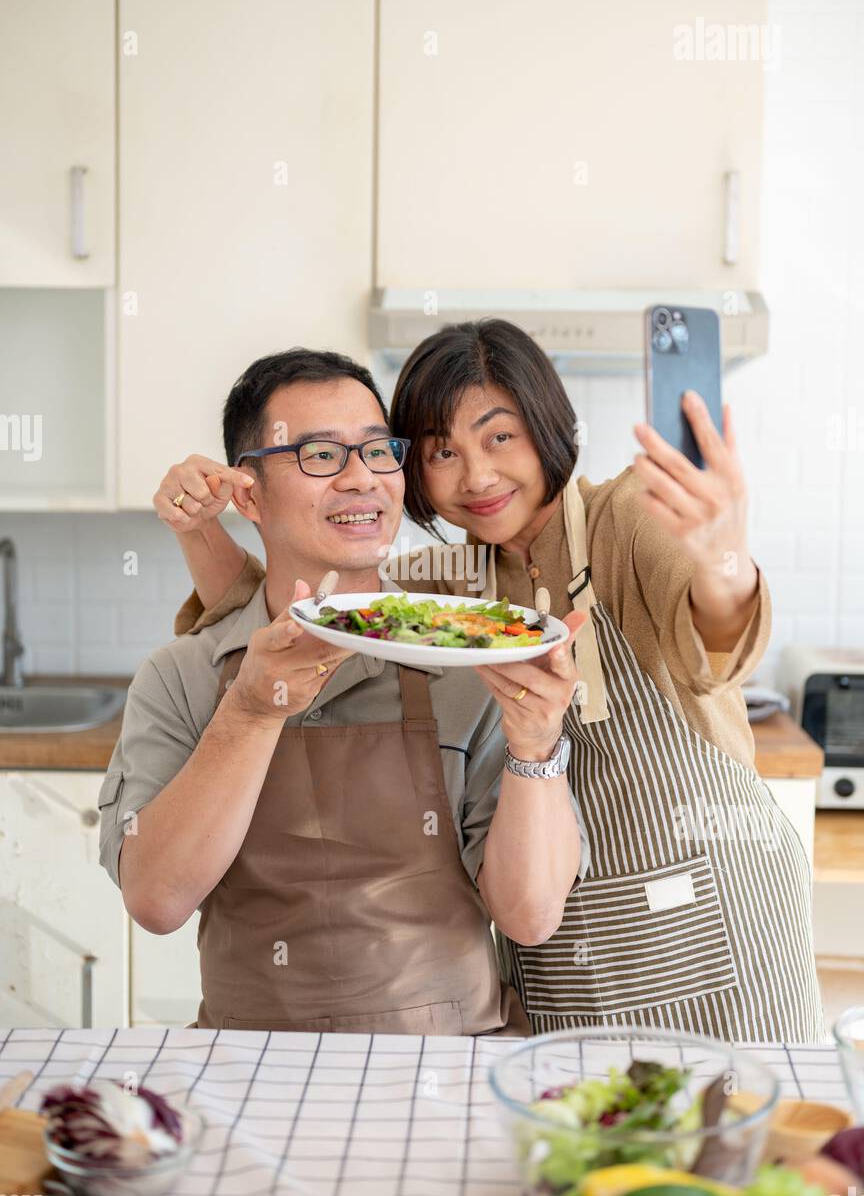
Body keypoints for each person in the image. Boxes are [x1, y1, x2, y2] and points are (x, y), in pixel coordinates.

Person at [156, 320, 825, 1043]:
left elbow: (718, 638)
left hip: (710, 930)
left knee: (737, 1144)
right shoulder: (449, 586)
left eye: (499, 437)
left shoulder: (627, 517)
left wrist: (725, 560)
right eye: (443, 450)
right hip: (560, 946)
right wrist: (201, 526)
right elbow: (309, 605)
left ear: (547, 427)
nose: (475, 476)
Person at [99, 346, 588, 1036]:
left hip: (450, 1072)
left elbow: (532, 915)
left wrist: (536, 743)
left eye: (378, 452)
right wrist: (247, 712)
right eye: (321, 456)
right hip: (246, 1075)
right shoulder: (181, 677)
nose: (362, 479)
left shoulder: (469, 661)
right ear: (248, 493)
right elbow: (156, 900)